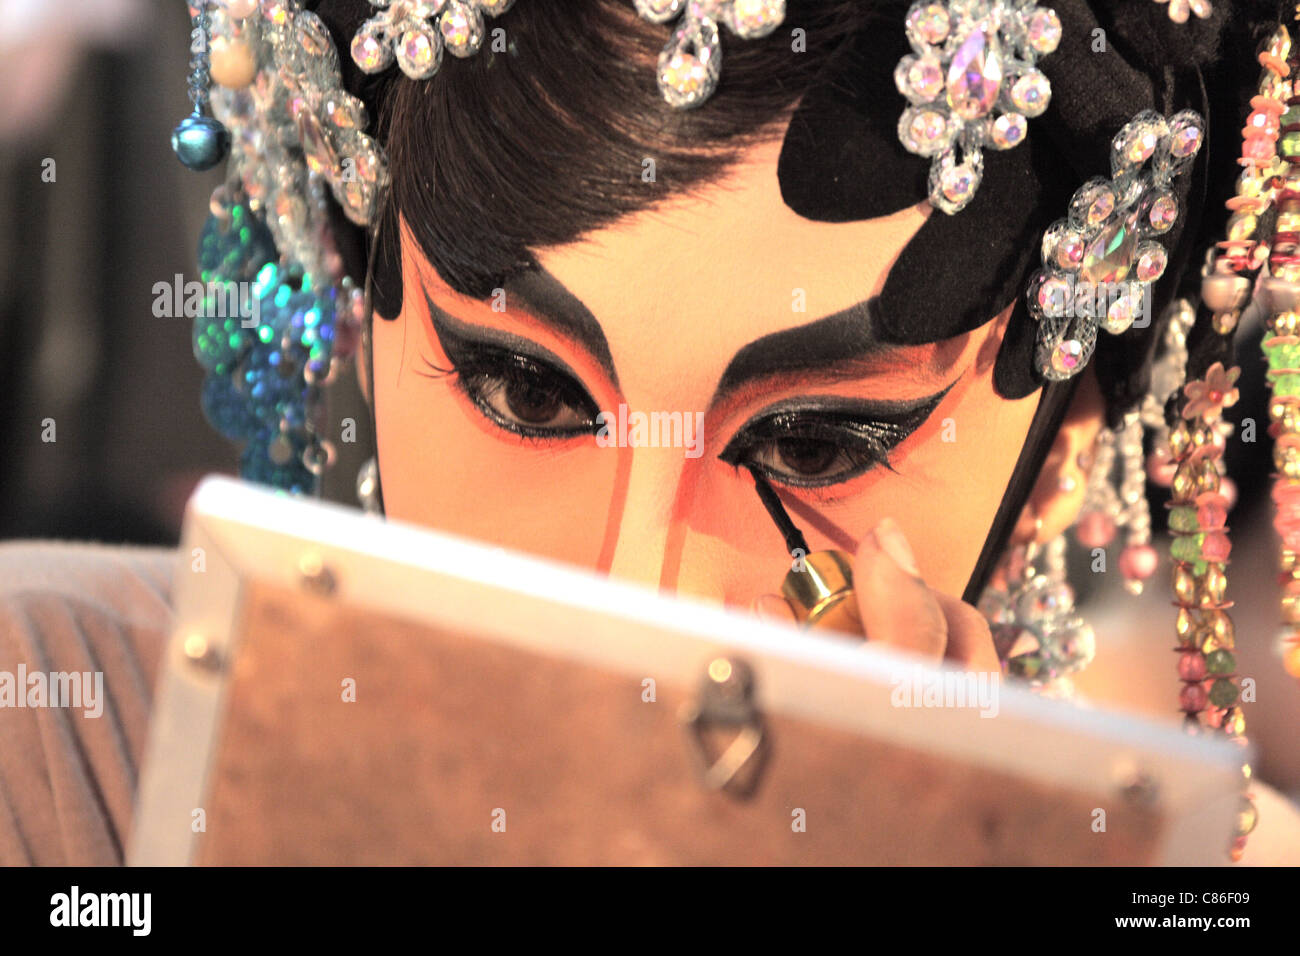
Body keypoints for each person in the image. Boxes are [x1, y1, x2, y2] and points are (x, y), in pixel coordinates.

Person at [2, 0, 1298, 864]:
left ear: (1067, 436)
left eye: (811, 446)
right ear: (364, 278)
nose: (637, 589)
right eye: (525, 392)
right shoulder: (40, 739)